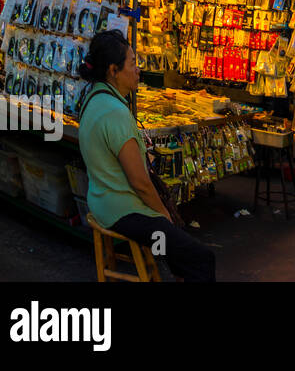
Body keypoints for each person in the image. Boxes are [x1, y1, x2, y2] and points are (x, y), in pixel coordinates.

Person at [77, 29, 215, 281]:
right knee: (201, 257)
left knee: (178, 248)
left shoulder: (93, 96)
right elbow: (140, 183)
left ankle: (172, 262)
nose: (138, 69)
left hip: (101, 201)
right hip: (123, 211)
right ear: (113, 70)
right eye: (132, 63)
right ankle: (170, 259)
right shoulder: (115, 113)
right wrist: (163, 213)